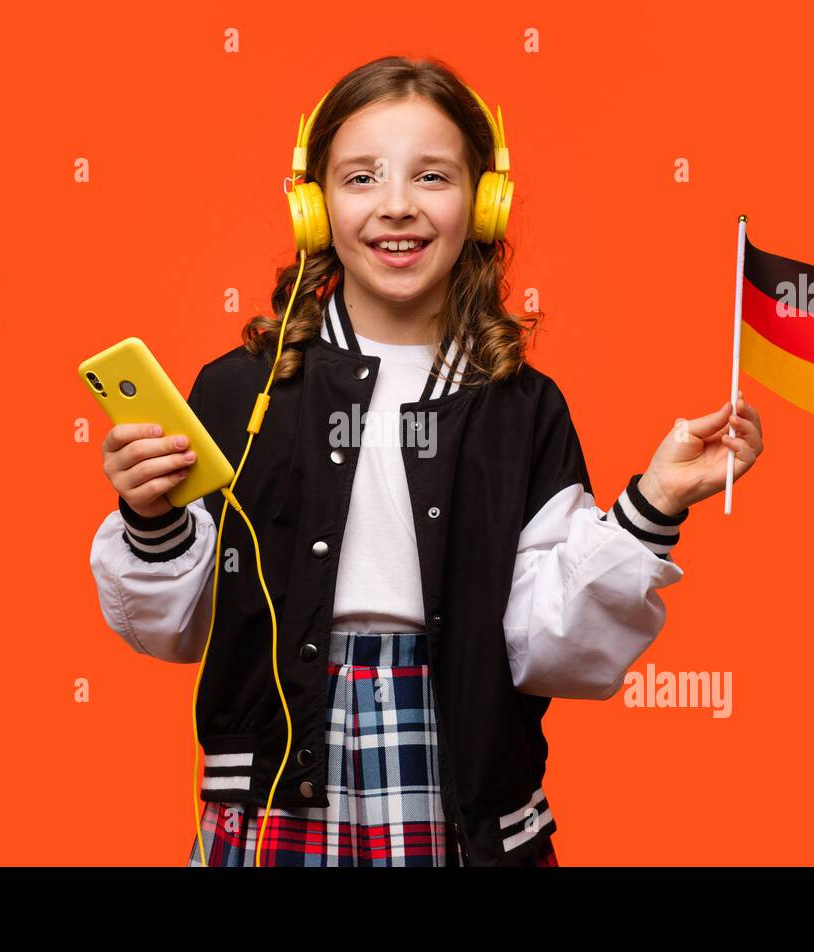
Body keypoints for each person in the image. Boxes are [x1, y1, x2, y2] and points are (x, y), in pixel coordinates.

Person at [88, 56, 764, 867]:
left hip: (457, 791)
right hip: (276, 788)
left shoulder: (522, 408)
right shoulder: (241, 392)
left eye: (433, 176)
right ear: (312, 206)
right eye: (361, 177)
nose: (397, 206)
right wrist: (149, 516)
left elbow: (552, 647)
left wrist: (654, 502)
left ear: (484, 202)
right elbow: (172, 630)